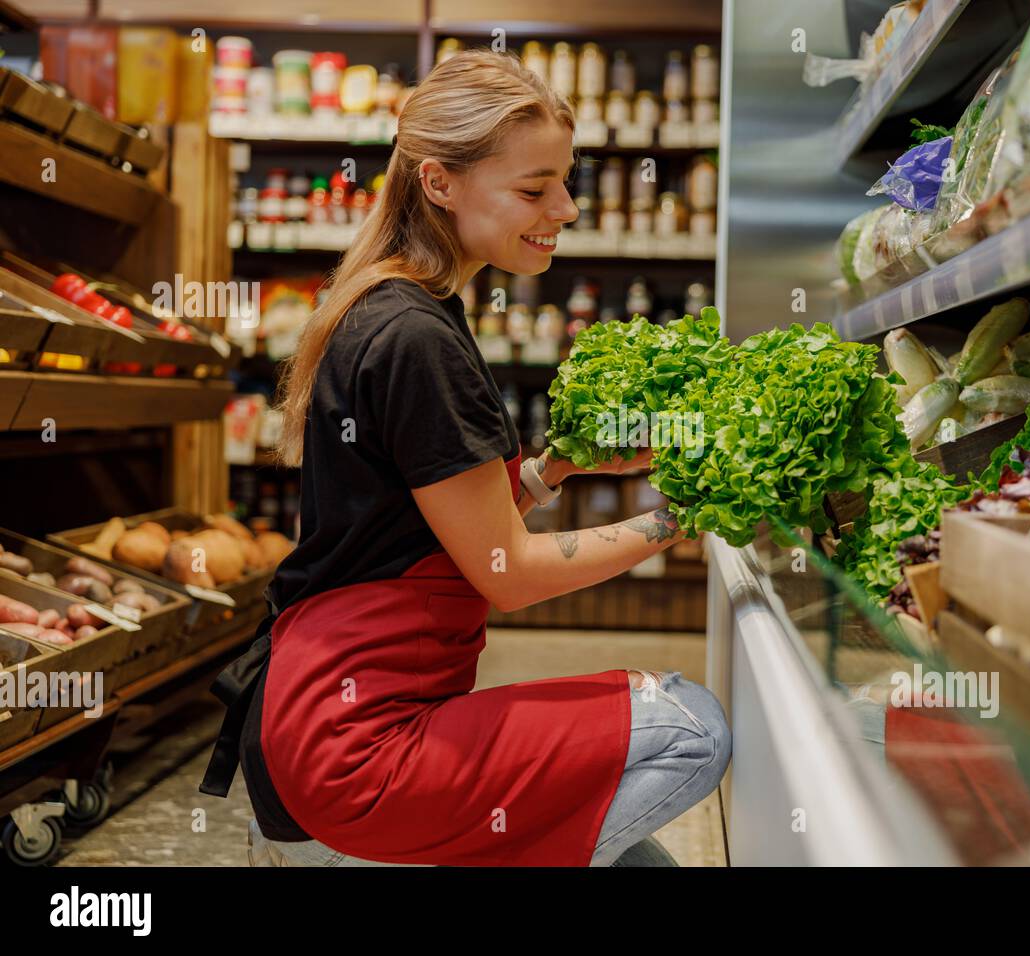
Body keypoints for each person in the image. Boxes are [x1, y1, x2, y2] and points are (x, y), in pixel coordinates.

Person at [199, 50, 731, 868]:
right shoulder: (414, 335)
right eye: (533, 188)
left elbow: (418, 527)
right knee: (693, 726)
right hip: (355, 751)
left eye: (565, 180)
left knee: (641, 862)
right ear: (439, 182)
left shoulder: (396, 303)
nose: (566, 206)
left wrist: (556, 470)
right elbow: (505, 571)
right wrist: (685, 515)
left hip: (314, 721)